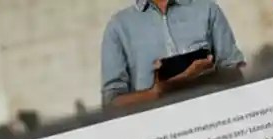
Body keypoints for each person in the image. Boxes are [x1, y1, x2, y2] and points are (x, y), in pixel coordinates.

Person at [101, 0, 246, 109]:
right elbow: (111, 104)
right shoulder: (118, 27)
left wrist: (206, 76)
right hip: (156, 137)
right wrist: (158, 91)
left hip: (213, 119)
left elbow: (236, 76)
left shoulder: (207, 8)